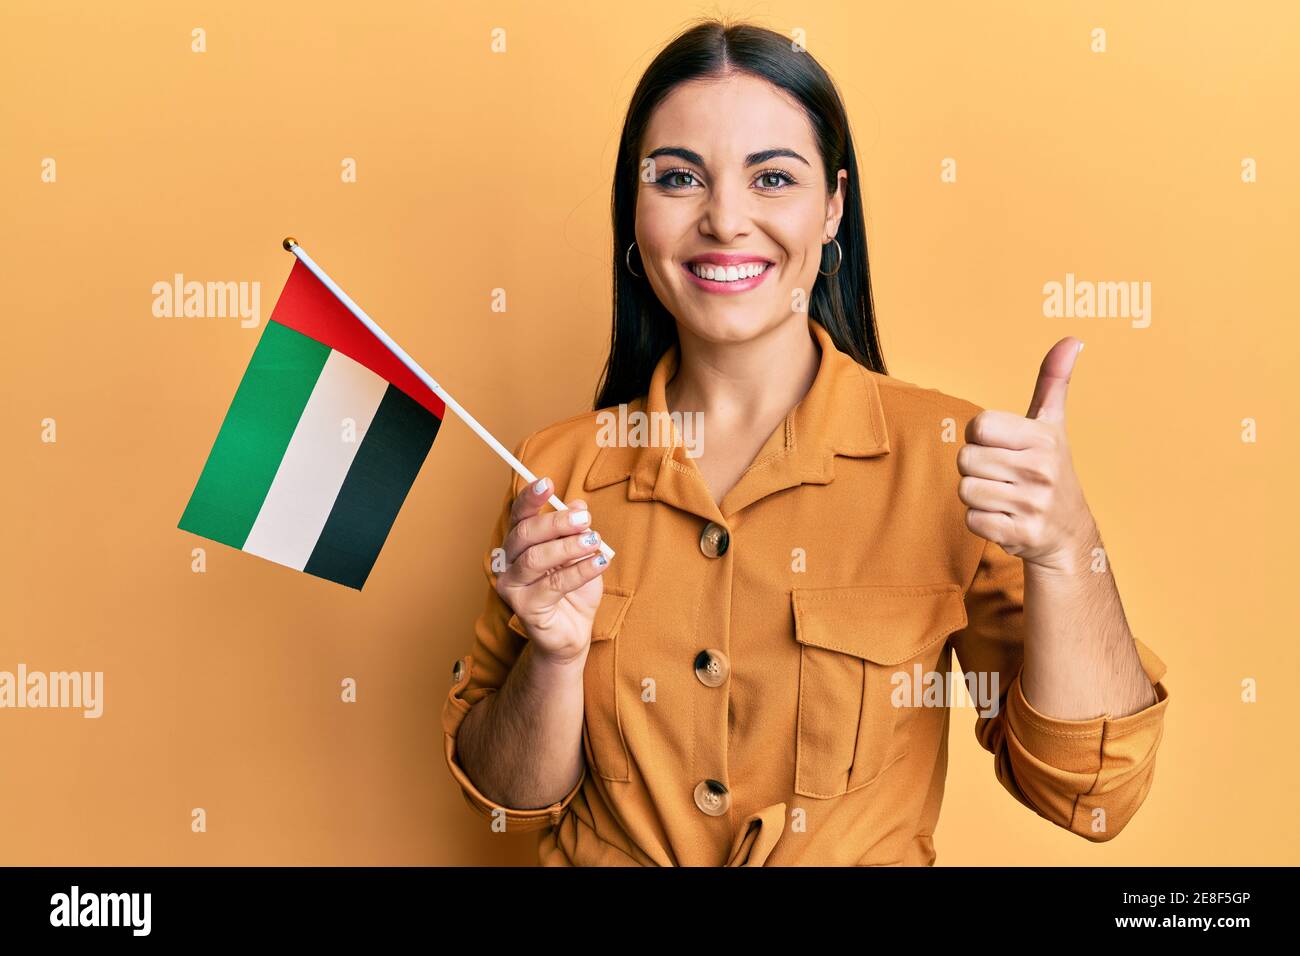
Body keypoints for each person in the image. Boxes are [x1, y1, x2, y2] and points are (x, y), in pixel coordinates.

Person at [440, 18, 1169, 866]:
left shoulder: (951, 461)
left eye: (772, 178)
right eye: (679, 178)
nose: (724, 219)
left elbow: (1092, 798)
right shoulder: (555, 474)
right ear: (634, 214)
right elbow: (508, 807)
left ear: (832, 209)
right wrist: (555, 662)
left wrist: (1068, 547)